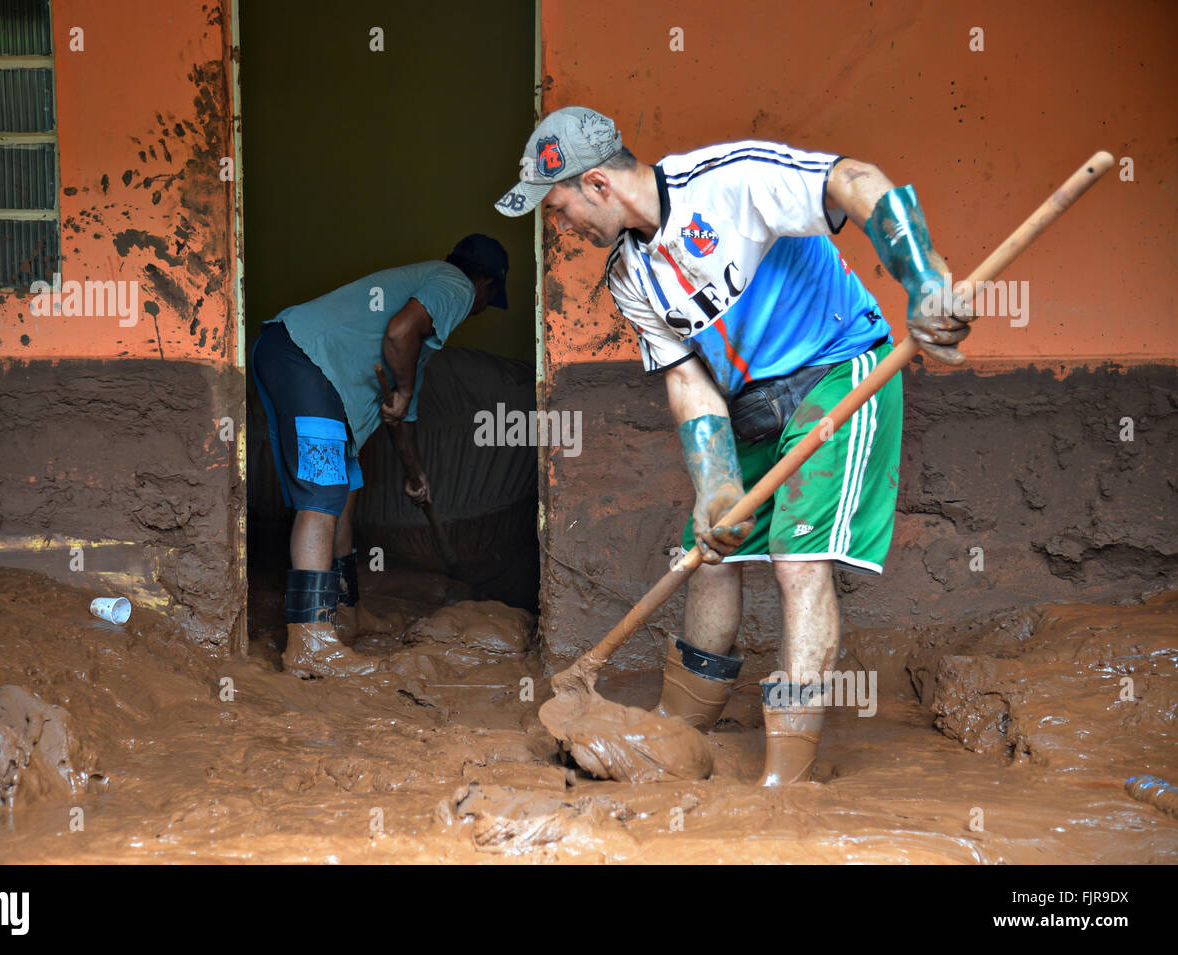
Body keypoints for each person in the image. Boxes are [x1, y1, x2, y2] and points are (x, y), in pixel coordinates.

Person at [496, 107, 971, 785]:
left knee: (796, 559)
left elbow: (855, 180)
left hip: (835, 369)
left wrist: (924, 278)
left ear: (597, 183)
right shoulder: (631, 276)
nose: (560, 224)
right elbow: (690, 383)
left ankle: (787, 770)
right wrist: (717, 485)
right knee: (711, 551)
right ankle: (679, 730)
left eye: (559, 205)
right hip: (748, 405)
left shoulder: (729, 182)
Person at [251, 234, 510, 678]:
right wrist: (404, 389)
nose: (479, 309)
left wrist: (415, 474)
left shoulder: (421, 345)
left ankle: (347, 612)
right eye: (488, 299)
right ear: (484, 285)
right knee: (324, 493)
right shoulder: (455, 285)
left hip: (311, 372)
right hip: (304, 361)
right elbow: (398, 332)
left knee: (347, 488)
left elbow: (399, 415)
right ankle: (309, 642)